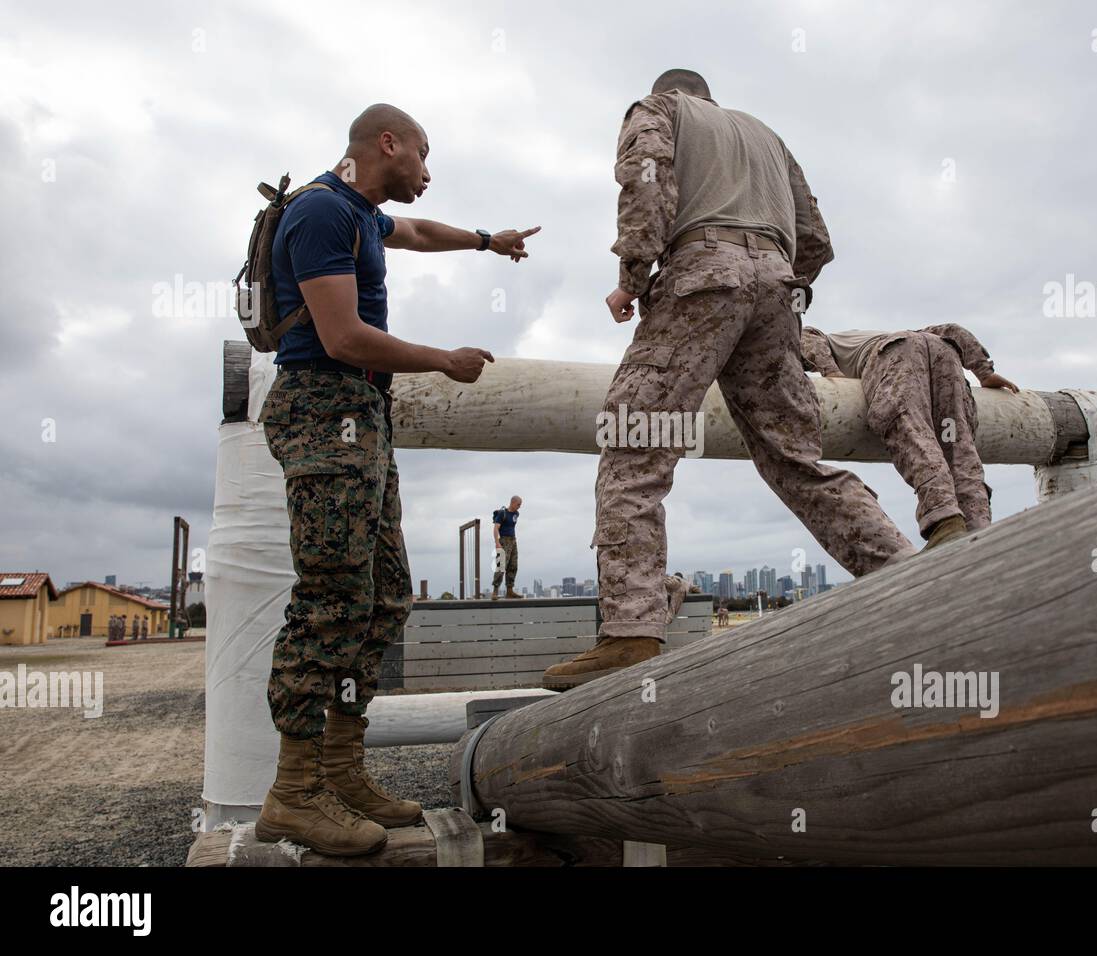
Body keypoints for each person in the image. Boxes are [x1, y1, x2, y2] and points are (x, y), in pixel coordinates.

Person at [542, 69, 913, 691]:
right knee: (796, 455)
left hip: (701, 274)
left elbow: (647, 179)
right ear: (710, 96)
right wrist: (776, 273)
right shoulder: (766, 135)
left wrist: (633, 276)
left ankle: (631, 634)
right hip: (778, 284)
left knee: (636, 445)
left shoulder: (657, 108)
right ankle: (906, 577)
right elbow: (816, 238)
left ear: (674, 91)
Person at [255, 103, 540, 856]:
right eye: (422, 152)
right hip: (324, 413)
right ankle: (292, 792)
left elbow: (417, 231)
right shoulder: (319, 212)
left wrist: (487, 240)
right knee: (327, 598)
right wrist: (445, 360)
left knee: (381, 597)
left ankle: (343, 772)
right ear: (389, 143)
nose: (427, 168)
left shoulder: (359, 212)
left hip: (361, 418)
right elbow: (342, 336)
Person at [801, 324, 1018, 548]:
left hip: (893, 356)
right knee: (957, 441)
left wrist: (831, 373)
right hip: (943, 352)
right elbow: (952, 331)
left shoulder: (832, 341)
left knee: (911, 431)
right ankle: (978, 524)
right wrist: (985, 372)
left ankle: (945, 519)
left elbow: (808, 335)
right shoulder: (892, 333)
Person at [490, 496, 523, 600]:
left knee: (513, 565)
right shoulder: (502, 513)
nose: (519, 507)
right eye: (518, 504)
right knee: (501, 566)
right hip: (504, 540)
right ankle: (495, 591)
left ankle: (509, 591)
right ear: (513, 502)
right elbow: (496, 528)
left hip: (513, 541)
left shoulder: (516, 514)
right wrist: (497, 542)